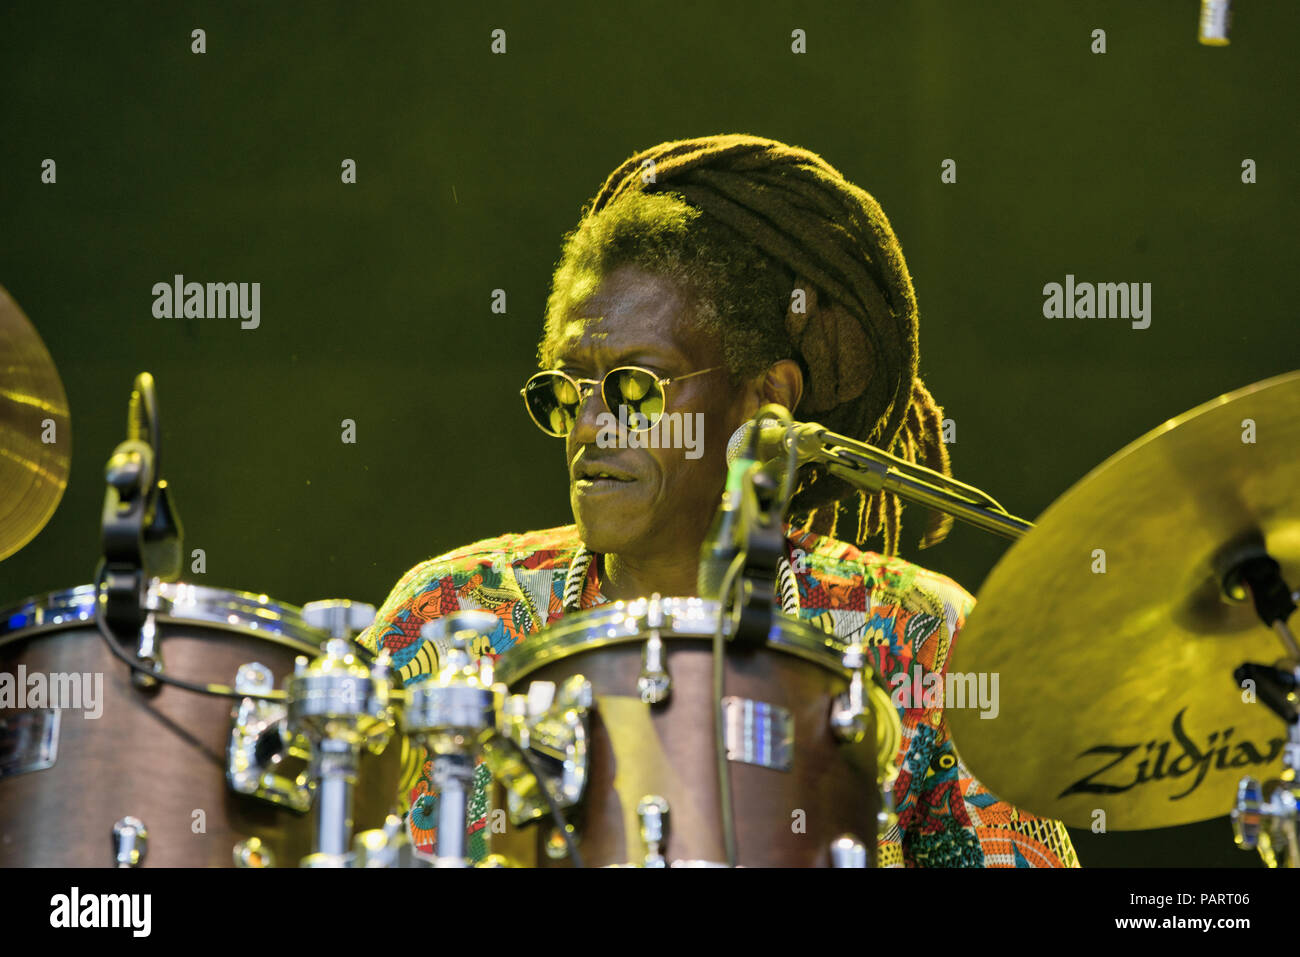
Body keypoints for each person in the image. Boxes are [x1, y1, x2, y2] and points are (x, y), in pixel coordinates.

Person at [357, 133, 1079, 868]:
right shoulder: (447, 617)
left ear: (766, 401)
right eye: (567, 390)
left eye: (636, 387)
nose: (588, 426)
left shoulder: (916, 635)